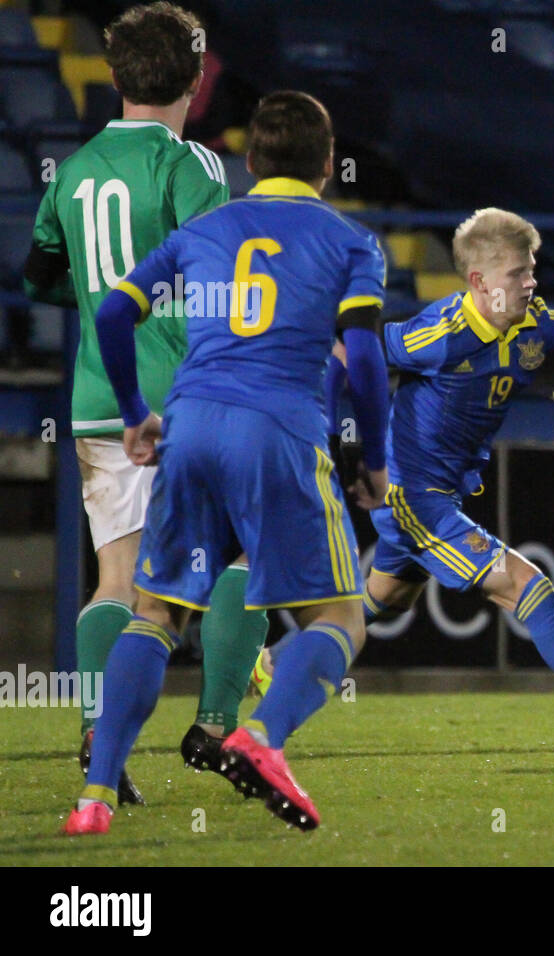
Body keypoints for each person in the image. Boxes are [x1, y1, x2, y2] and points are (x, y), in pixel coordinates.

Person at [63, 90, 390, 834]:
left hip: (190, 423)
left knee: (155, 613)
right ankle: (261, 736)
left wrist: (134, 411)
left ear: (249, 161)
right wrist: (376, 457)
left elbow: (114, 312)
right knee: (339, 616)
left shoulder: (206, 229)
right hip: (278, 430)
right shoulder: (350, 242)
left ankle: (95, 797)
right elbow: (365, 359)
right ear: (329, 166)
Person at [258, 207, 554, 745]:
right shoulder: (442, 334)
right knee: (528, 585)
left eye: (532, 268)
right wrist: (341, 436)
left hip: (440, 491)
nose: (531, 281)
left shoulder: (533, 324)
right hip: (410, 495)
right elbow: (346, 354)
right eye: (518, 273)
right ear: (479, 281)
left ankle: (272, 663)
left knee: (386, 597)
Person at [23, 2, 266, 802]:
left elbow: (39, 276)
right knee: (239, 561)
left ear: (115, 75)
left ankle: (101, 731)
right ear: (194, 80)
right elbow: (220, 277)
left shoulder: (76, 169)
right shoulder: (190, 165)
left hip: (100, 399)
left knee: (115, 581)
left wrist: (98, 290)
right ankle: (222, 723)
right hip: (186, 396)